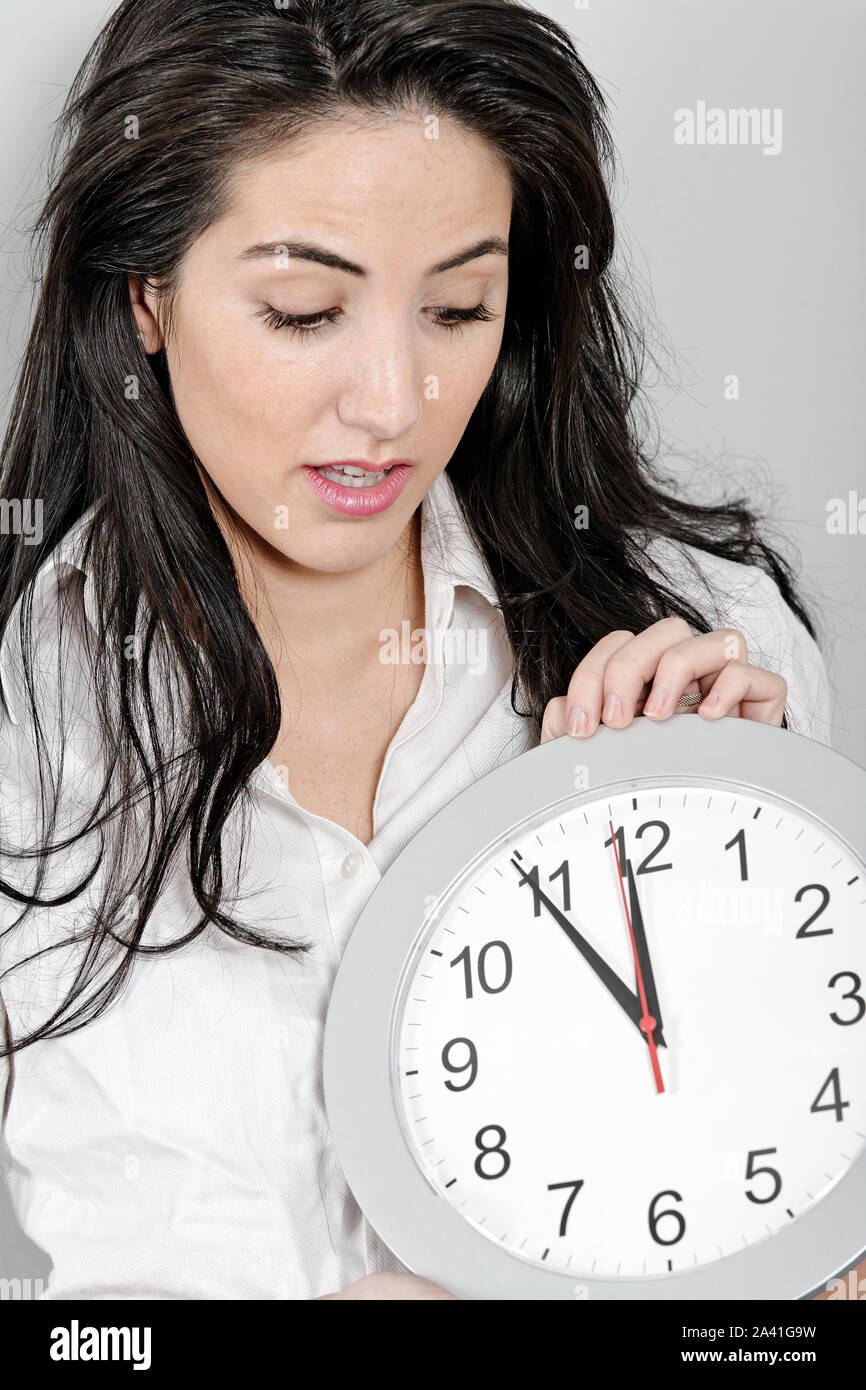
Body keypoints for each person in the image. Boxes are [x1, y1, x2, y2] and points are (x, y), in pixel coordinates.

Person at [0, 0, 831, 1301]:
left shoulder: (698, 639)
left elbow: (793, 1224)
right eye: (302, 310)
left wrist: (753, 874)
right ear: (146, 295)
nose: (392, 402)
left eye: (456, 308)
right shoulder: (21, 714)